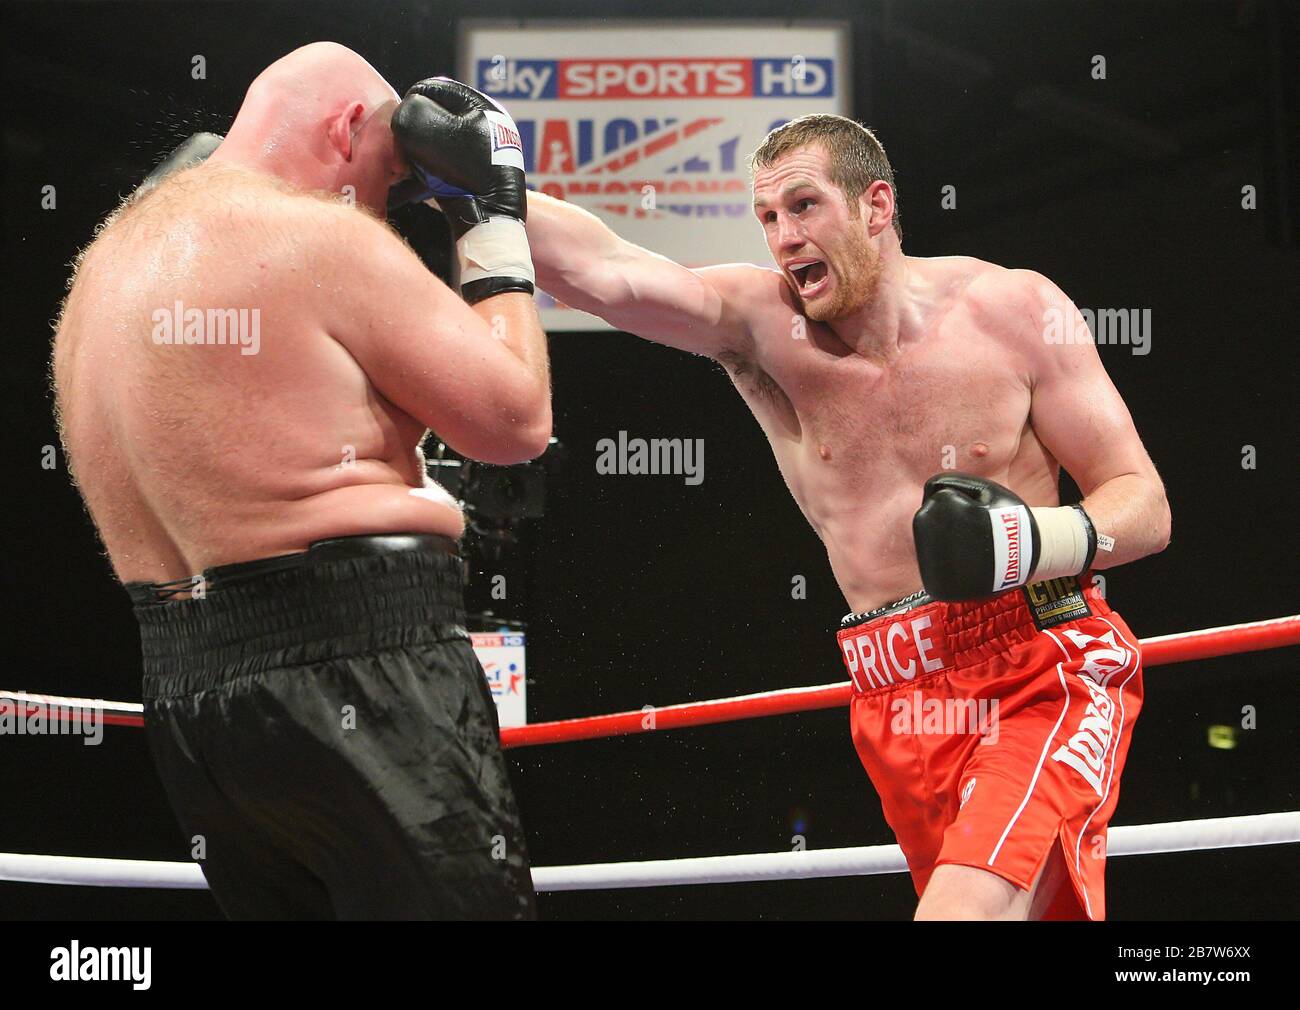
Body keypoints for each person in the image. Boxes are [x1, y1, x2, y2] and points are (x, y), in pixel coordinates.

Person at [403, 81, 1171, 920]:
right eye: (767, 218)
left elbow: (1144, 506)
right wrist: (474, 183)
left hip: (1042, 662)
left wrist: (1031, 540)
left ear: (877, 205)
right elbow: (607, 271)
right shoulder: (764, 328)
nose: (784, 238)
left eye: (804, 206)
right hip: (893, 693)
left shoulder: (1015, 309)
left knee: (962, 912)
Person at [50, 44, 549, 919]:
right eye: (392, 175)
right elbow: (515, 422)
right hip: (362, 665)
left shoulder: (101, 270)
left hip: (192, 703)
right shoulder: (314, 234)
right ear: (348, 127)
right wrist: (491, 214)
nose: (390, 209)